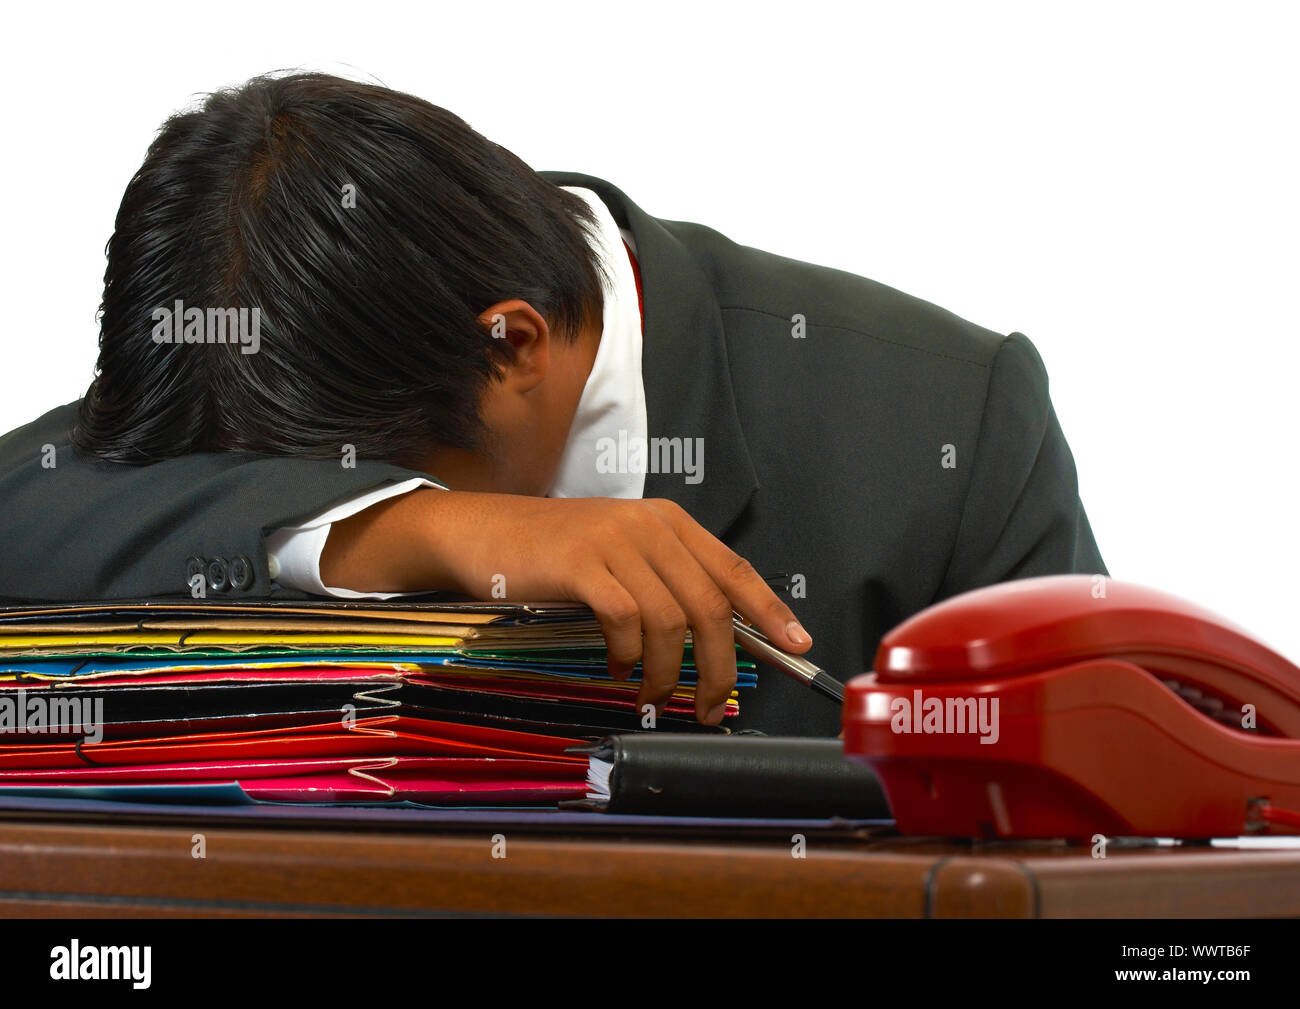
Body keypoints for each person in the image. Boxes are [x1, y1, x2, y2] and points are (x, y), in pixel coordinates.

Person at [0, 72, 1106, 737]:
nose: (285, 495)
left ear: (511, 344)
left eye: (361, 475)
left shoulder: (951, 419)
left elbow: (1116, 820)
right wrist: (419, 520)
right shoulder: (241, 364)